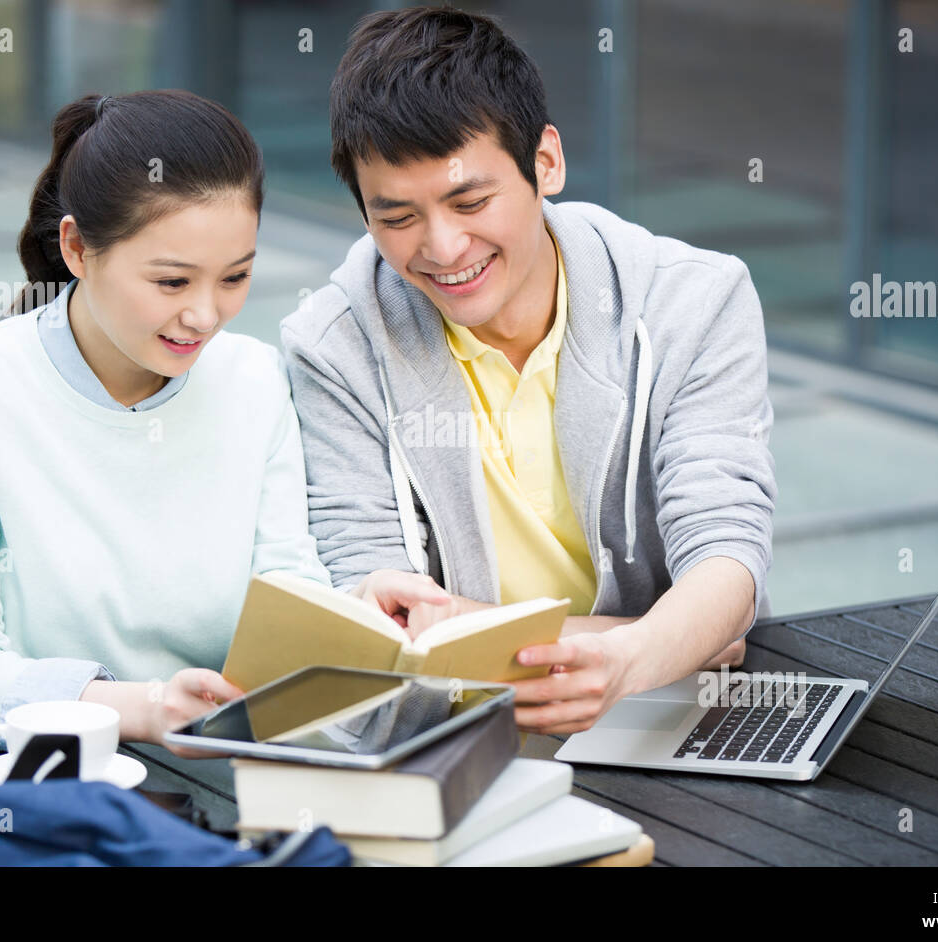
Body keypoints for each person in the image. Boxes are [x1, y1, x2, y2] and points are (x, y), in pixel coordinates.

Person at [0, 90, 447, 752]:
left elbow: (284, 582)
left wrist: (353, 609)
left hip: (203, 765)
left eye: (234, 278)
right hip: (8, 775)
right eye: (172, 283)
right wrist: (142, 709)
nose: (205, 316)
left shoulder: (253, 379)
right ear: (78, 249)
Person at [281, 8, 778, 736]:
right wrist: (650, 638)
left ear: (546, 162)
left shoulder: (693, 301)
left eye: (471, 201)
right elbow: (383, 626)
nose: (444, 247)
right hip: (461, 729)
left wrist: (628, 659)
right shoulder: (334, 346)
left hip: (665, 710)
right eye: (397, 218)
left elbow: (727, 559)